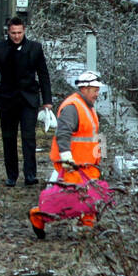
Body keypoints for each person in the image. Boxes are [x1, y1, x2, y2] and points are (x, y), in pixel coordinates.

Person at [29, 71, 104, 238]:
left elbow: (96, 135)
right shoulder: (73, 107)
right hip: (74, 165)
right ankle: (38, 216)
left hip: (88, 165)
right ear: (84, 89)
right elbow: (63, 134)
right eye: (95, 90)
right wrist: (66, 158)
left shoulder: (88, 108)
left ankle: (87, 226)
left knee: (91, 196)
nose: (97, 94)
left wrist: (101, 157)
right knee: (67, 200)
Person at [0, 16, 53, 187]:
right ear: (8, 32)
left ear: (24, 31)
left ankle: (30, 174)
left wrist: (47, 100)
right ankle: (12, 175)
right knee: (9, 138)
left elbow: (43, 75)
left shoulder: (35, 48)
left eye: (19, 33)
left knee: (29, 137)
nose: (16, 36)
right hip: (7, 99)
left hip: (28, 99)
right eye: (13, 33)